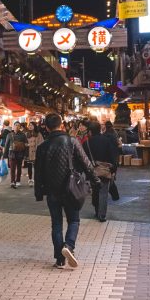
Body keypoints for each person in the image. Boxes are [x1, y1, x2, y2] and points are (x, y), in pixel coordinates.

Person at [35, 113, 99, 268]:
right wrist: (95, 180)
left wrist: (38, 192)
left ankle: (59, 259)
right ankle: (69, 246)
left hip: (52, 190)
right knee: (74, 220)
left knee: (56, 224)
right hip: (71, 189)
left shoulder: (42, 147)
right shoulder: (72, 141)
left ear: (47, 127)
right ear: (61, 124)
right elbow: (86, 163)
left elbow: (38, 172)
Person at [84, 121, 119, 222]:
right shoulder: (106, 140)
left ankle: (97, 211)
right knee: (103, 192)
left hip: (92, 171)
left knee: (95, 191)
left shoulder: (86, 143)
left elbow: (83, 159)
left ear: (90, 131)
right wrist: (113, 170)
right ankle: (102, 215)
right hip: (105, 170)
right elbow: (112, 156)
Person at [6, 122, 29, 188]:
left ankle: (18, 180)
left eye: (18, 125)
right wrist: (4, 155)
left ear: (20, 127)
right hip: (12, 154)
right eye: (15, 125)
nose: (17, 127)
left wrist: (26, 154)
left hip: (20, 153)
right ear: (13, 126)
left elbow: (26, 144)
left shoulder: (23, 135)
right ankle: (12, 181)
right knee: (12, 168)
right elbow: (6, 145)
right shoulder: (9, 135)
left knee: (19, 168)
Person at [103, 121, 121, 202]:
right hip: (114, 159)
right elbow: (120, 147)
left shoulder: (103, 136)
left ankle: (113, 194)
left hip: (106, 159)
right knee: (112, 177)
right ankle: (115, 195)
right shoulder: (115, 135)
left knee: (107, 177)